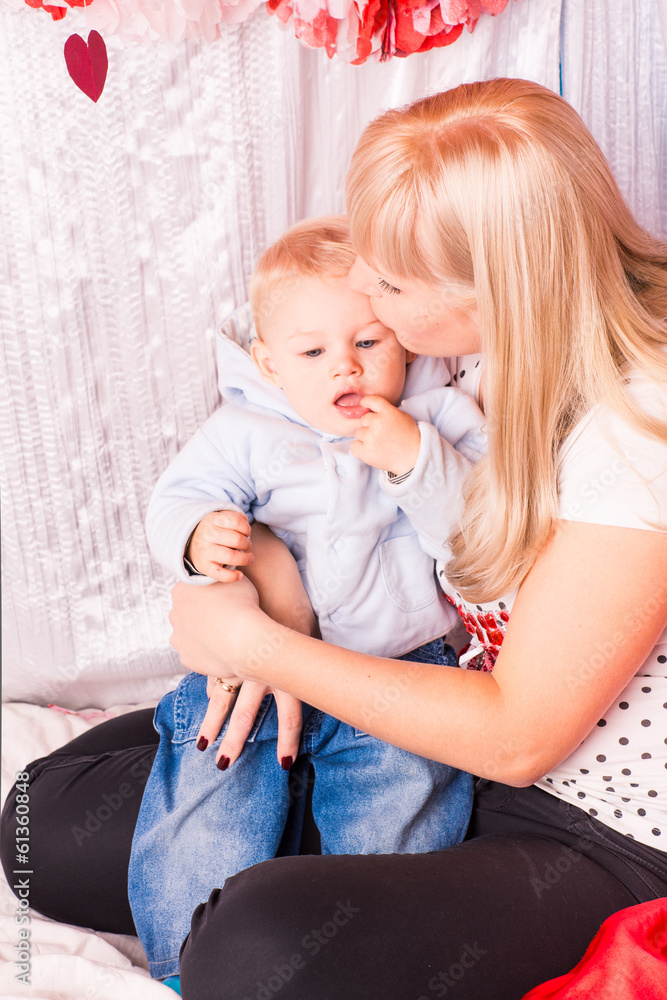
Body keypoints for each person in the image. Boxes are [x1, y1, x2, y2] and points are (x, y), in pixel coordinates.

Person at [1, 77, 666, 1000]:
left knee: (258, 947)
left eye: (388, 282)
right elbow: (291, 454)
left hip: (583, 823)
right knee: (45, 823)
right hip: (436, 718)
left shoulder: (641, 427)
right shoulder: (467, 351)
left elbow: (519, 738)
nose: (364, 291)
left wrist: (260, 647)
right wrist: (255, 569)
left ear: (492, 282)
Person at [127, 216, 488, 983]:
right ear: (268, 361)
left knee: (402, 815)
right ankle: (182, 968)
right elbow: (176, 499)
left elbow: (481, 538)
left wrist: (415, 462)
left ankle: (364, 962)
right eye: (312, 352)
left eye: (368, 343)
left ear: (405, 340)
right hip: (249, 675)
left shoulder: (439, 420)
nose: (344, 371)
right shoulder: (245, 429)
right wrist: (198, 537)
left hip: (398, 671)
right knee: (206, 802)